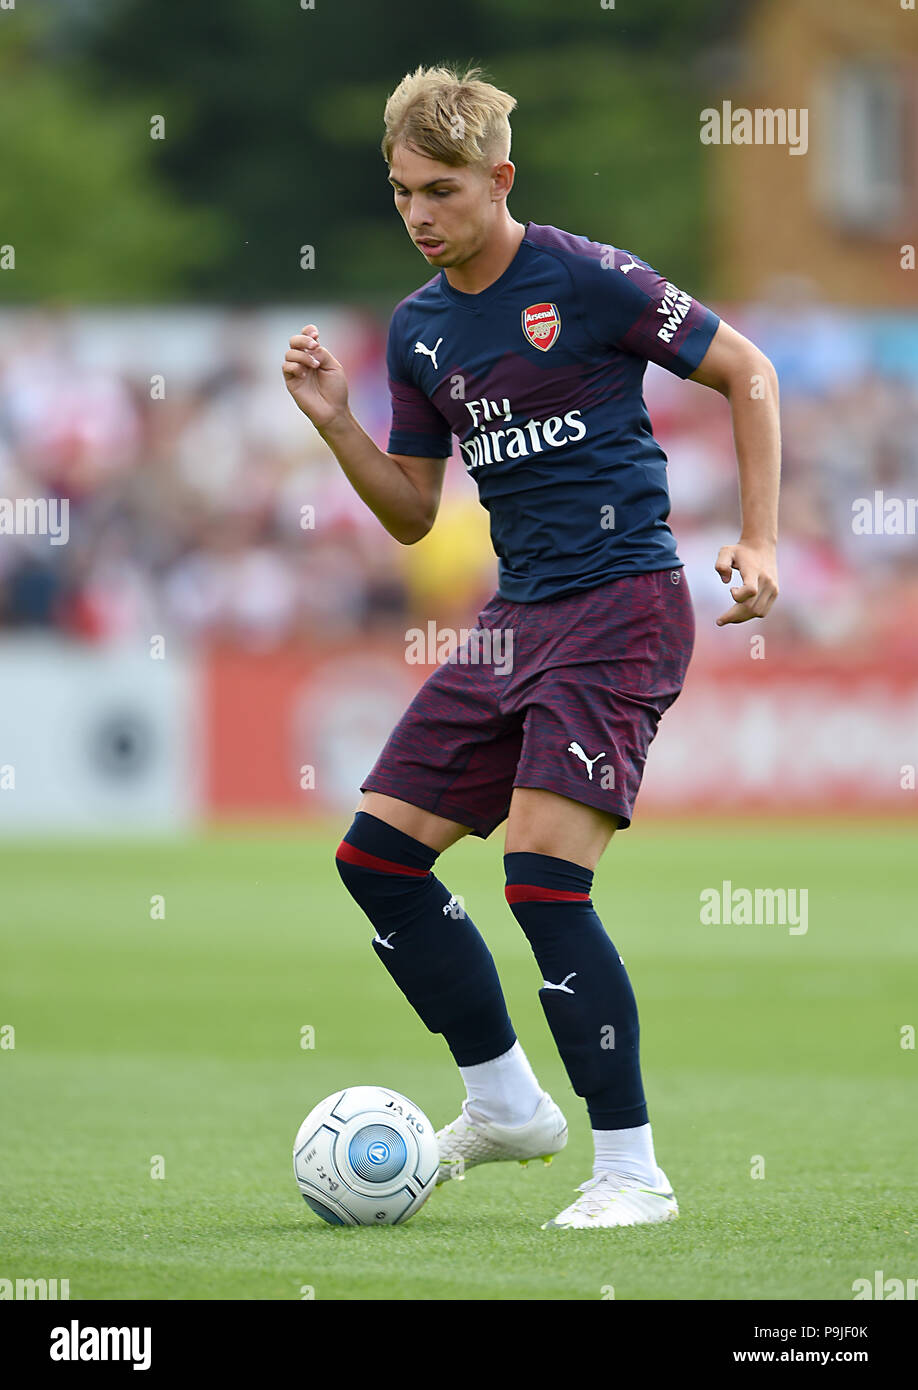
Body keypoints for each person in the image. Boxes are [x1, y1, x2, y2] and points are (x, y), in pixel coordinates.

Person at [283, 63, 780, 1229]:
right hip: (518, 616)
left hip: (623, 604)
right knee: (376, 860)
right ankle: (506, 1105)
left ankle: (632, 1173)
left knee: (545, 883)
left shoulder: (589, 278)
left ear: (499, 179)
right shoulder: (418, 331)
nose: (418, 214)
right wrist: (338, 425)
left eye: (442, 190)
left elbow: (747, 373)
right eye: (402, 190)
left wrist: (759, 540)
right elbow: (412, 510)